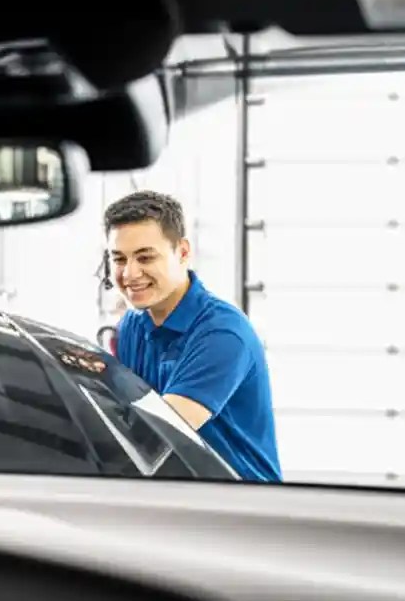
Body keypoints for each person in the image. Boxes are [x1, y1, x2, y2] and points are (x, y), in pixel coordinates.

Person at [104, 190, 282, 482]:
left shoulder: (222, 334)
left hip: (239, 499)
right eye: (119, 259)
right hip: (176, 489)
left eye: (145, 257)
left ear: (183, 252)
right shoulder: (132, 326)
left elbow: (155, 437)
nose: (130, 274)